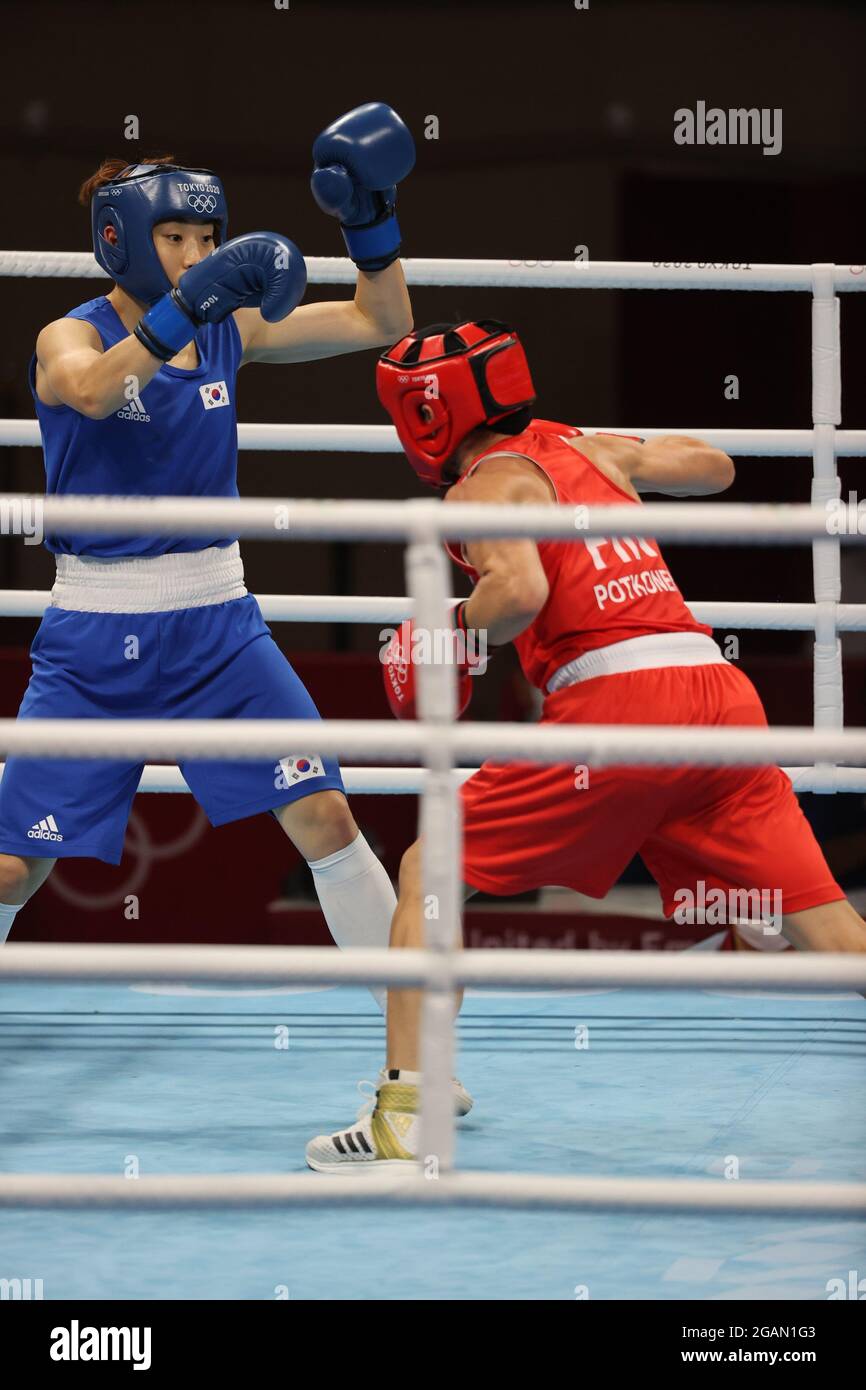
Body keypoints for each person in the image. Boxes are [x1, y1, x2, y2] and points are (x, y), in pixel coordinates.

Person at [305, 318, 866, 1171]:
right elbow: (716, 466)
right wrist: (622, 458)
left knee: (430, 865)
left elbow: (520, 590)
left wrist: (450, 625)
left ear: (424, 419)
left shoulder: (481, 490)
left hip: (621, 710)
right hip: (720, 698)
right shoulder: (585, 446)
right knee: (829, 929)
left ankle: (408, 1115)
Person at [0, 108, 467, 1115]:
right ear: (121, 239)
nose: (199, 257)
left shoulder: (227, 330)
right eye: (177, 239)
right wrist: (181, 310)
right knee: (9, 868)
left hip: (217, 623)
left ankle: (418, 1066)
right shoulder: (68, 335)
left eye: (209, 241)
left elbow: (381, 323)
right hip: (92, 636)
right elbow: (85, 393)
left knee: (326, 813)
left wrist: (372, 222)